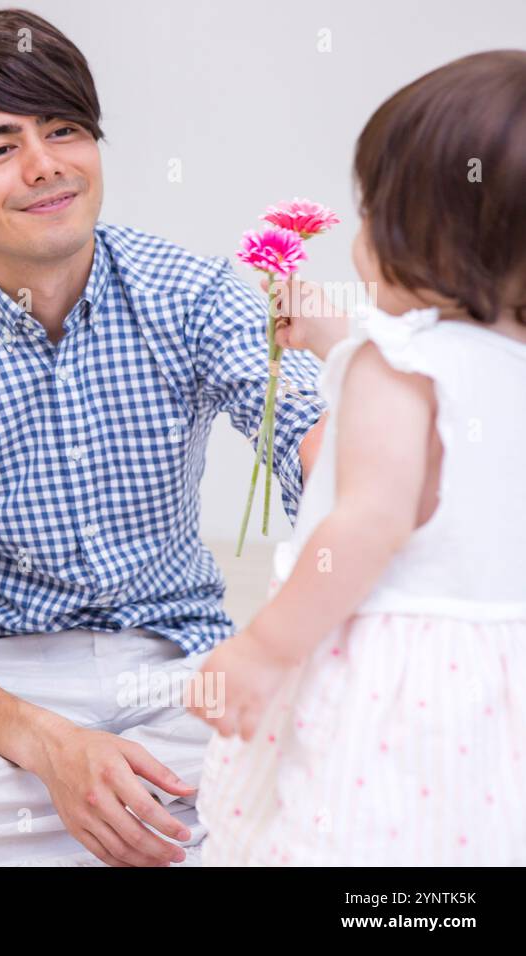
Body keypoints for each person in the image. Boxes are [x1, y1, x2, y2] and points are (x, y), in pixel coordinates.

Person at [0, 8, 337, 867]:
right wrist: (47, 746)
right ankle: (175, 824)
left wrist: (362, 395)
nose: (46, 166)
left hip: (176, 666)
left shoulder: (192, 293)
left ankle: (111, 815)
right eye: (0, 147)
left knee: (340, 723)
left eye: (64, 130)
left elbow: (313, 444)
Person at [192, 50, 526, 866]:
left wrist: (267, 648)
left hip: (397, 688)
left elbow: (371, 517)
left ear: (421, 233)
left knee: (352, 835)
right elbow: (433, 417)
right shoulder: (497, 364)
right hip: (496, 681)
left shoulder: (395, 366)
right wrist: (329, 336)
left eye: (373, 210)